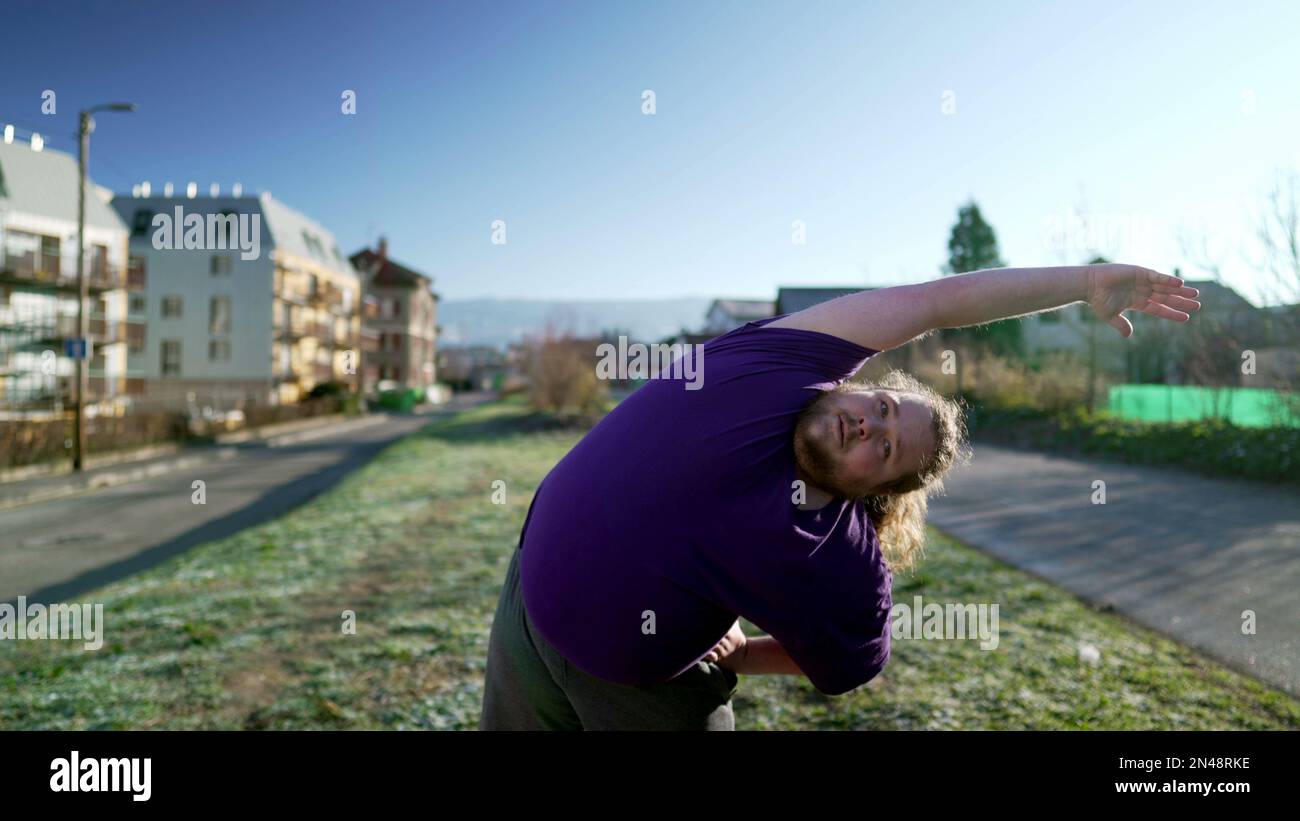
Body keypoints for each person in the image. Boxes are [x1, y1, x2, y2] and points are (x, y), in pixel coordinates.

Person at [479, 263, 1201, 730]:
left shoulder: (832, 555)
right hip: (522, 615)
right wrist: (1085, 281)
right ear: (863, 383)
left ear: (873, 490)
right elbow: (937, 302)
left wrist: (743, 655)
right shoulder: (786, 359)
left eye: (885, 450)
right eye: (883, 407)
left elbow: (855, 660)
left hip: (634, 695)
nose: (870, 426)